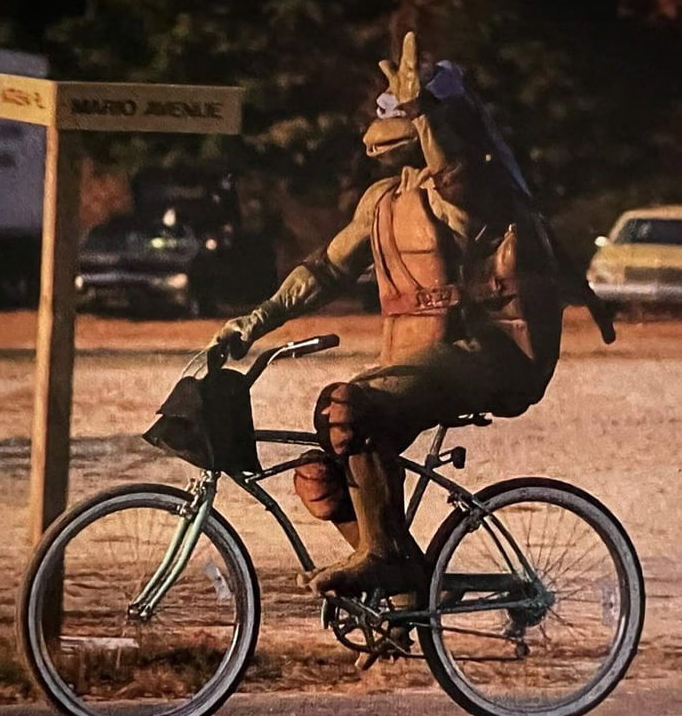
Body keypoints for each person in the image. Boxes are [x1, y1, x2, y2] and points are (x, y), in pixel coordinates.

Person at [213, 31, 614, 600]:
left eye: (405, 111)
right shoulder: (383, 200)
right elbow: (323, 270)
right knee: (323, 473)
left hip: (487, 352)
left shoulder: (474, 191)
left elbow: (456, 182)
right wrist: (253, 322)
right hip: (420, 357)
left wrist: (424, 115)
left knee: (350, 404)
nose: (386, 123)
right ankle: (404, 599)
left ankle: (383, 558)